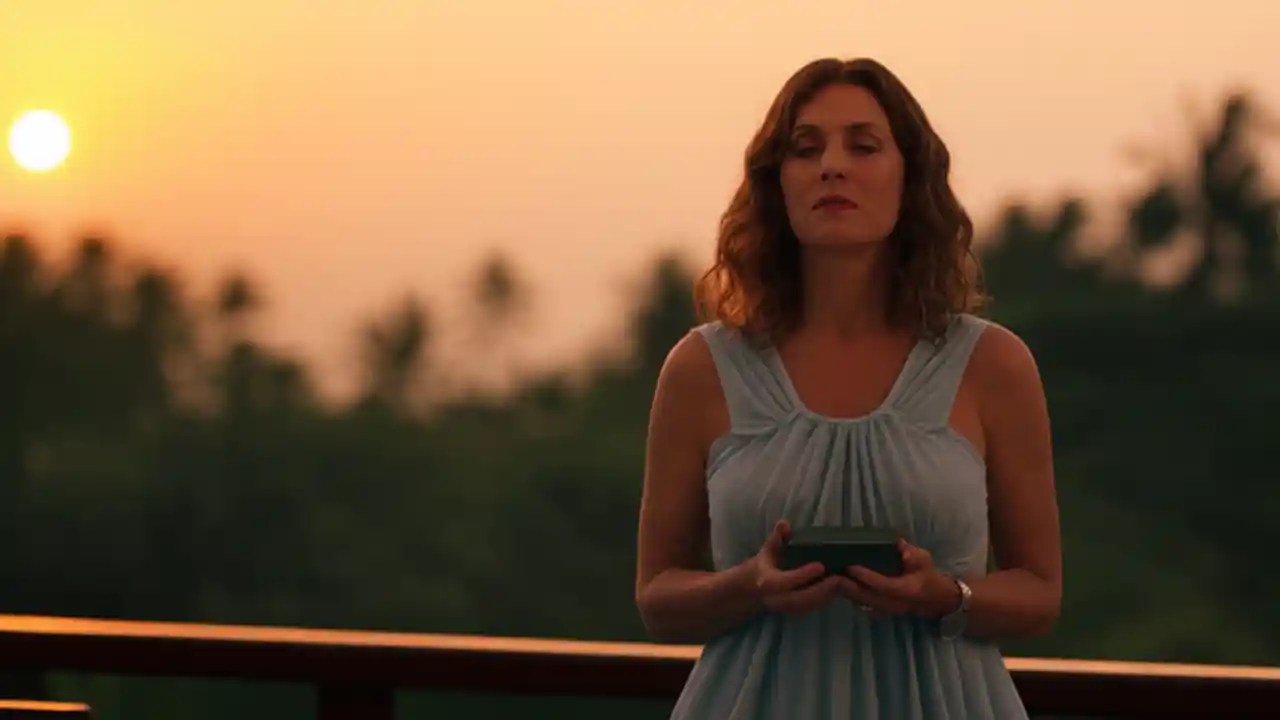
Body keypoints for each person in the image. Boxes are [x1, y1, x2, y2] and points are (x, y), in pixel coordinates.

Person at [634, 57, 1061, 719]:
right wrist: (752, 584)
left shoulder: (993, 365)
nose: (833, 165)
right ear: (777, 184)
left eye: (863, 145)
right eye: (806, 149)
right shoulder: (701, 369)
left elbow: (1040, 592)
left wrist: (946, 595)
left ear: (909, 176)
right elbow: (657, 595)